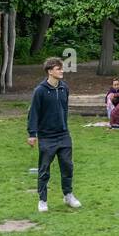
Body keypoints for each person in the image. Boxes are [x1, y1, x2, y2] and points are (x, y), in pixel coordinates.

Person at [27, 56, 81, 213]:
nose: (62, 71)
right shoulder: (40, 91)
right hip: (47, 137)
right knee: (44, 170)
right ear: (50, 71)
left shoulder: (64, 88)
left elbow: (64, 109)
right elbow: (34, 113)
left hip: (64, 135)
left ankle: (68, 195)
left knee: (67, 166)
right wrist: (32, 134)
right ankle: (42, 200)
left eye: (62, 68)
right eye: (58, 69)